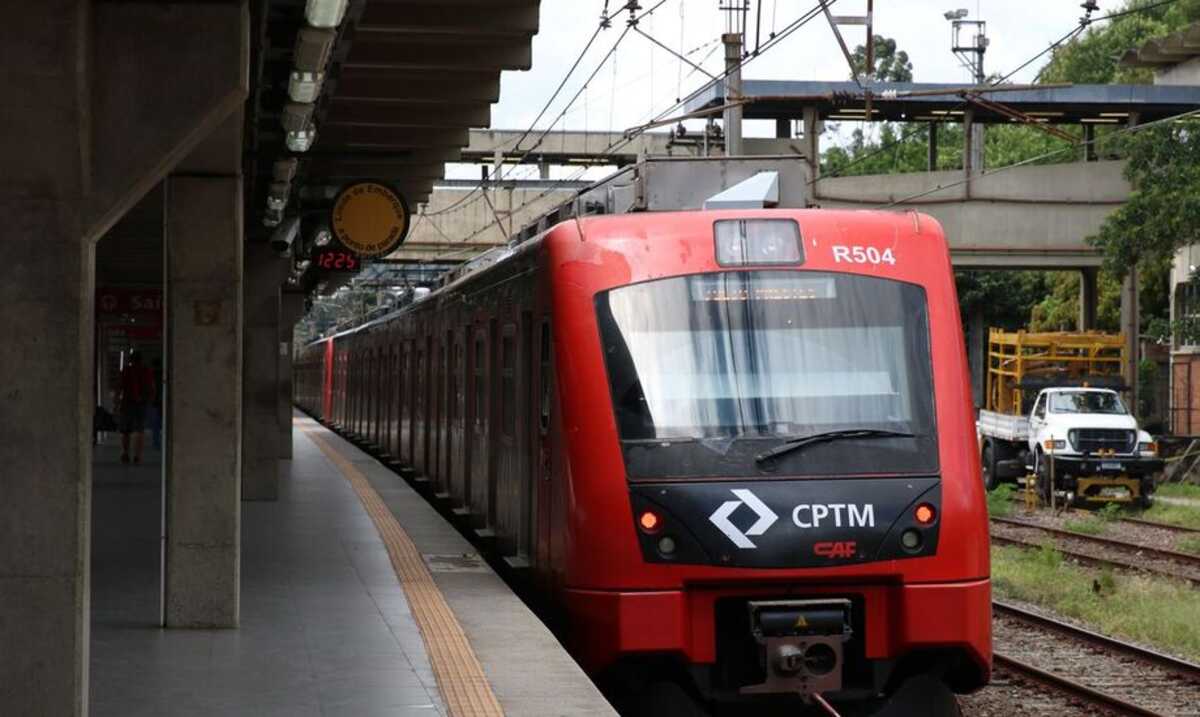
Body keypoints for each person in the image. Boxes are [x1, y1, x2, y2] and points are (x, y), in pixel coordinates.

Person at [118, 351, 156, 464]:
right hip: (142, 403)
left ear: (131, 360)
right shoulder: (147, 370)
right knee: (139, 431)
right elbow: (152, 387)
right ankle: (137, 456)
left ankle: (125, 453)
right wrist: (150, 400)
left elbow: (119, 386)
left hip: (127, 403)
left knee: (125, 431)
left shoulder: (126, 370)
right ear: (141, 359)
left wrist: (116, 402)